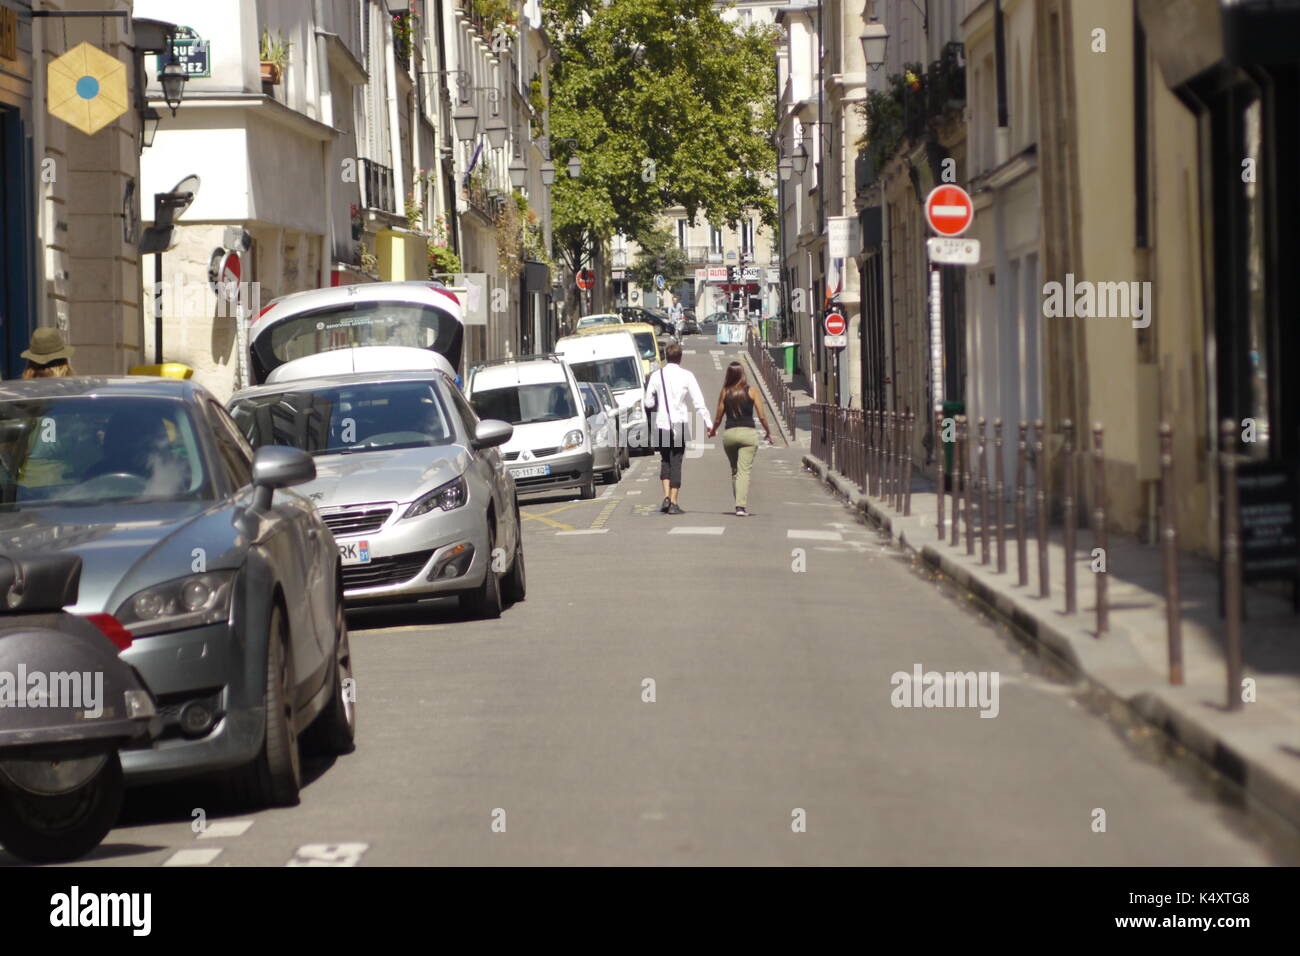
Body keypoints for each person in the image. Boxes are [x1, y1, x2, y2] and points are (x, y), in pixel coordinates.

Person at [643, 342, 711, 515]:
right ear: (680, 358)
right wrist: (709, 424)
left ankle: (666, 496)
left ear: (666, 357)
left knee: (665, 460)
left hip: (662, 423)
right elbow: (698, 402)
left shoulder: (656, 376)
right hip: (679, 423)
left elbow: (648, 402)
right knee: (677, 462)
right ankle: (673, 501)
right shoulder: (687, 376)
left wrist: (657, 403)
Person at [707, 361, 772, 517]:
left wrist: (713, 430)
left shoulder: (725, 392)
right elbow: (762, 416)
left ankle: (739, 504)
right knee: (744, 471)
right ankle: (740, 507)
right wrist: (768, 432)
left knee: (735, 470)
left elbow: (718, 417)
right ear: (743, 374)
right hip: (748, 434)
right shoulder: (752, 391)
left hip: (730, 435)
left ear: (729, 375)